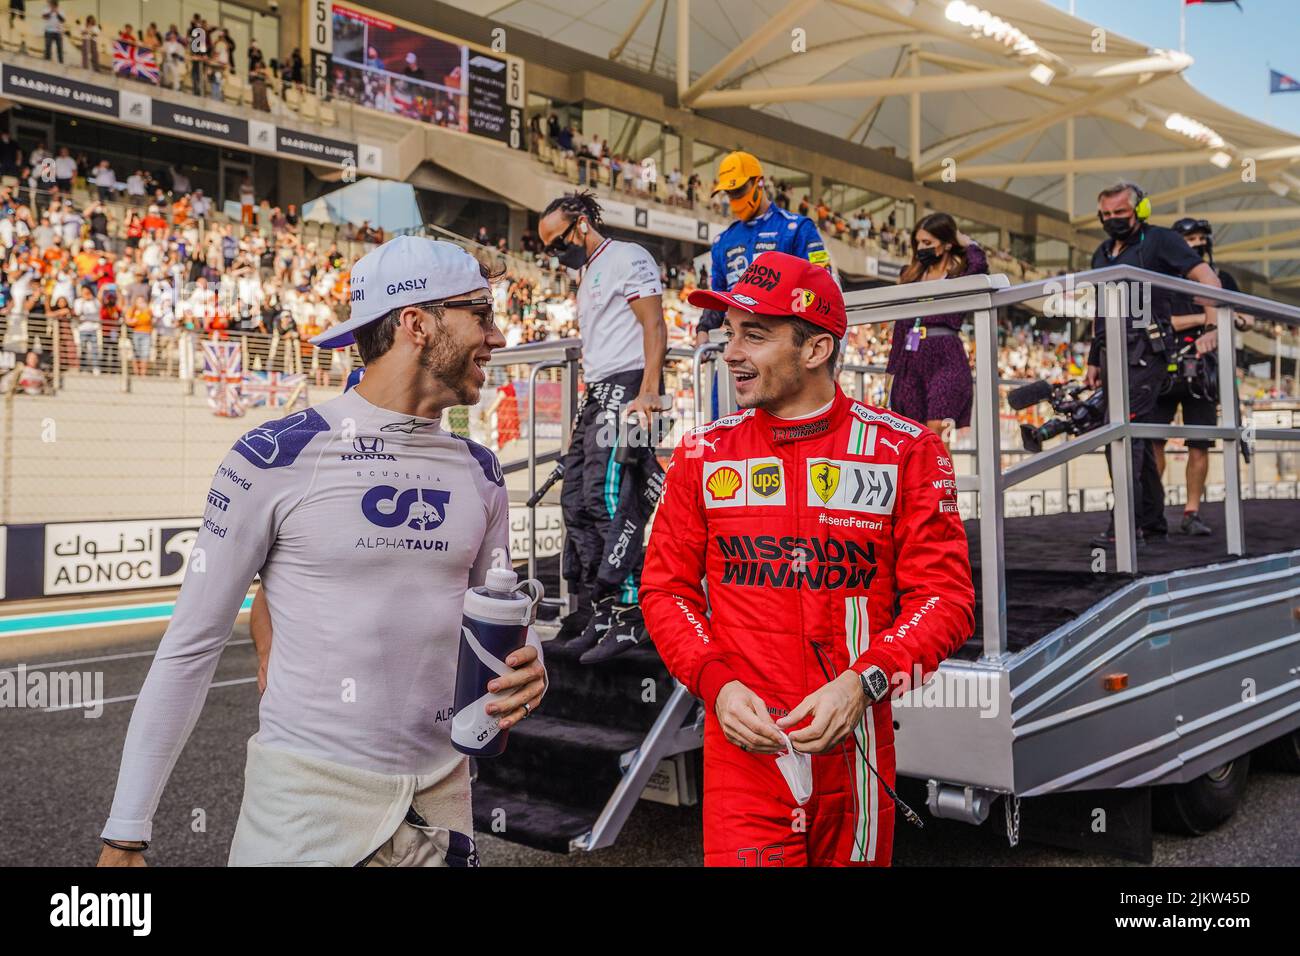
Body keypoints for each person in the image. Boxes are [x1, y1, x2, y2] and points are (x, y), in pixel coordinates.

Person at [97, 237, 547, 867]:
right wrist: (126, 832)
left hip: (442, 806)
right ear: (417, 323)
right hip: (307, 814)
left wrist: (531, 666)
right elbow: (189, 647)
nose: (497, 336)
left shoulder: (482, 471)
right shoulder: (276, 454)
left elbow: (493, 626)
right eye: (482, 313)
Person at [641, 251, 975, 866]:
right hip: (746, 752)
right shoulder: (701, 454)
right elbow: (665, 592)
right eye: (729, 332)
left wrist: (864, 682)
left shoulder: (907, 451)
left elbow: (946, 600)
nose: (730, 351)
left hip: (857, 753)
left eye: (755, 334)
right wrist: (716, 686)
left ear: (817, 349)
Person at [536, 191, 668, 662]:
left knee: (609, 496)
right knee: (575, 498)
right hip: (598, 391)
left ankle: (633, 612)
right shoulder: (587, 272)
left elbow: (654, 325)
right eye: (549, 249)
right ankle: (604, 608)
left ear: (583, 223)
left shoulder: (628, 256)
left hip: (630, 384)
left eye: (558, 243)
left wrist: (649, 393)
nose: (556, 254)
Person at [1085, 183, 1222, 547]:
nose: (1113, 220)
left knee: (1123, 432)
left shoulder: (1160, 240)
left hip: (1147, 350)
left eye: (1121, 213)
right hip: (1110, 351)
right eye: (1107, 215)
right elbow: (1099, 309)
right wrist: (1092, 357)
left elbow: (1206, 277)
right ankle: (1154, 522)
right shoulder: (1101, 253)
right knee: (1135, 436)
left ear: (1140, 210)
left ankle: (1126, 526)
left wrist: (1213, 323)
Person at [696, 151, 830, 416]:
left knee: (784, 420)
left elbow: (822, 285)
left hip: (781, 344)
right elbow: (718, 293)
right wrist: (703, 328)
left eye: (739, 191)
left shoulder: (797, 228)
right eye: (729, 194)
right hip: (737, 341)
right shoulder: (724, 240)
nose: (734, 200)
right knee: (728, 422)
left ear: (759, 182)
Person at [1159, 217, 1251, 536]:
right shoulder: (1162, 278)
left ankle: (1191, 511)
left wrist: (1230, 318)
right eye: (1189, 238)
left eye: (1200, 237)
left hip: (1206, 372)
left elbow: (1247, 318)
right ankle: (1150, 509)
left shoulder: (1221, 278)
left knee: (1200, 443)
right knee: (1149, 439)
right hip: (1166, 366)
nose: (1196, 243)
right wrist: (1208, 317)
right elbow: (1165, 321)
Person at [886, 212, 986, 445]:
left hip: (946, 356)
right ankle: (921, 482)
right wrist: (891, 370)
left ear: (947, 244)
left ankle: (944, 483)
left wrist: (965, 241)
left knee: (937, 434)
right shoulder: (909, 275)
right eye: (918, 242)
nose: (921, 247)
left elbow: (980, 265)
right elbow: (901, 325)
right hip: (911, 359)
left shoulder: (958, 275)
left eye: (928, 243)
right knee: (913, 435)